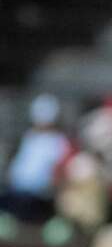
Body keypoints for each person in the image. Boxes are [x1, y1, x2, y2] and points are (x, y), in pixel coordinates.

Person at [0, 94, 70, 227]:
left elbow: (57, 174)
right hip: (16, 192)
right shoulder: (29, 137)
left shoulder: (59, 141)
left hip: (40, 198)